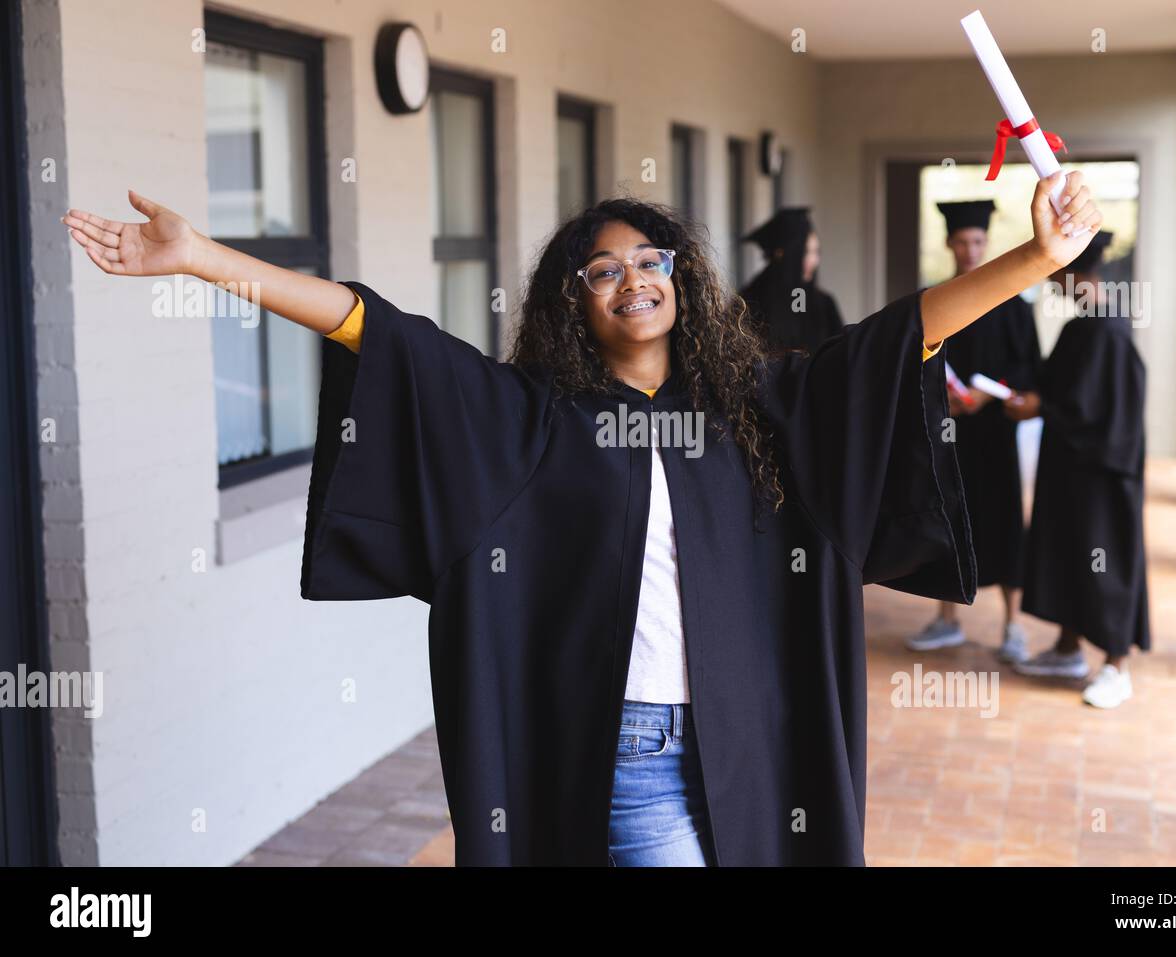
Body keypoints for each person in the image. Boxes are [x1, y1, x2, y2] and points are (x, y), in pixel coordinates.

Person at [61, 170, 1101, 865]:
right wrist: (208, 262)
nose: (631, 281)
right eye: (601, 269)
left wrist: (1034, 259)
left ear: (684, 284)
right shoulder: (529, 421)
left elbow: (895, 341)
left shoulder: (764, 409)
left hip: (757, 746)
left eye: (650, 262)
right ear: (572, 302)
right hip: (630, 756)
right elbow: (380, 331)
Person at [1006, 230, 1150, 708]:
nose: (1051, 284)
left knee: (1105, 559)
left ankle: (1117, 665)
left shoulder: (1107, 329)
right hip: (1073, 467)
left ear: (1073, 274)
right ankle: (1068, 649)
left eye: (1055, 275)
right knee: (1069, 553)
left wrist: (1041, 407)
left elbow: (1093, 409)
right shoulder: (1086, 323)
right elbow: (1061, 388)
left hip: (1104, 470)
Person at [906, 200, 1042, 664]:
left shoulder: (1013, 304)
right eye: (962, 241)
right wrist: (947, 398)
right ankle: (946, 619)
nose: (970, 250)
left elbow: (1029, 366)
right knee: (948, 517)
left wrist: (990, 395)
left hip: (994, 433)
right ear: (949, 243)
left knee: (1003, 522)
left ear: (987, 243)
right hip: (950, 433)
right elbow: (918, 360)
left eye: (978, 241)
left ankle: (1013, 625)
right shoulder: (936, 300)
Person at [739, 207, 844, 355]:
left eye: (816, 252)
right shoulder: (749, 303)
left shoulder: (824, 305)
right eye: (806, 251)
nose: (814, 261)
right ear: (781, 253)